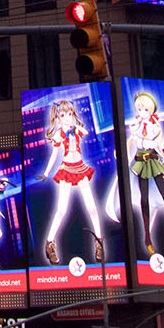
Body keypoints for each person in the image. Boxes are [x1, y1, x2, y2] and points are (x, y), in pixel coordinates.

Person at [41, 97, 104, 264]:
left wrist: (75, 127)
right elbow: (54, 155)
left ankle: (99, 243)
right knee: (62, 209)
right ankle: (49, 243)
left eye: (70, 114)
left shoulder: (75, 129)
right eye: (63, 115)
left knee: (92, 207)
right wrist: (46, 173)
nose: (67, 117)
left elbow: (85, 132)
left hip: (80, 168)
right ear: (58, 117)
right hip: (67, 169)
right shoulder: (58, 134)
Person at [128, 90, 164, 259]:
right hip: (140, 161)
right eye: (139, 109)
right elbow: (132, 143)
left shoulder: (155, 127)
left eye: (145, 109)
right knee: (144, 199)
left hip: (154, 160)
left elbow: (160, 146)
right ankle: (147, 238)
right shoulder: (136, 125)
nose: (142, 112)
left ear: (151, 110)